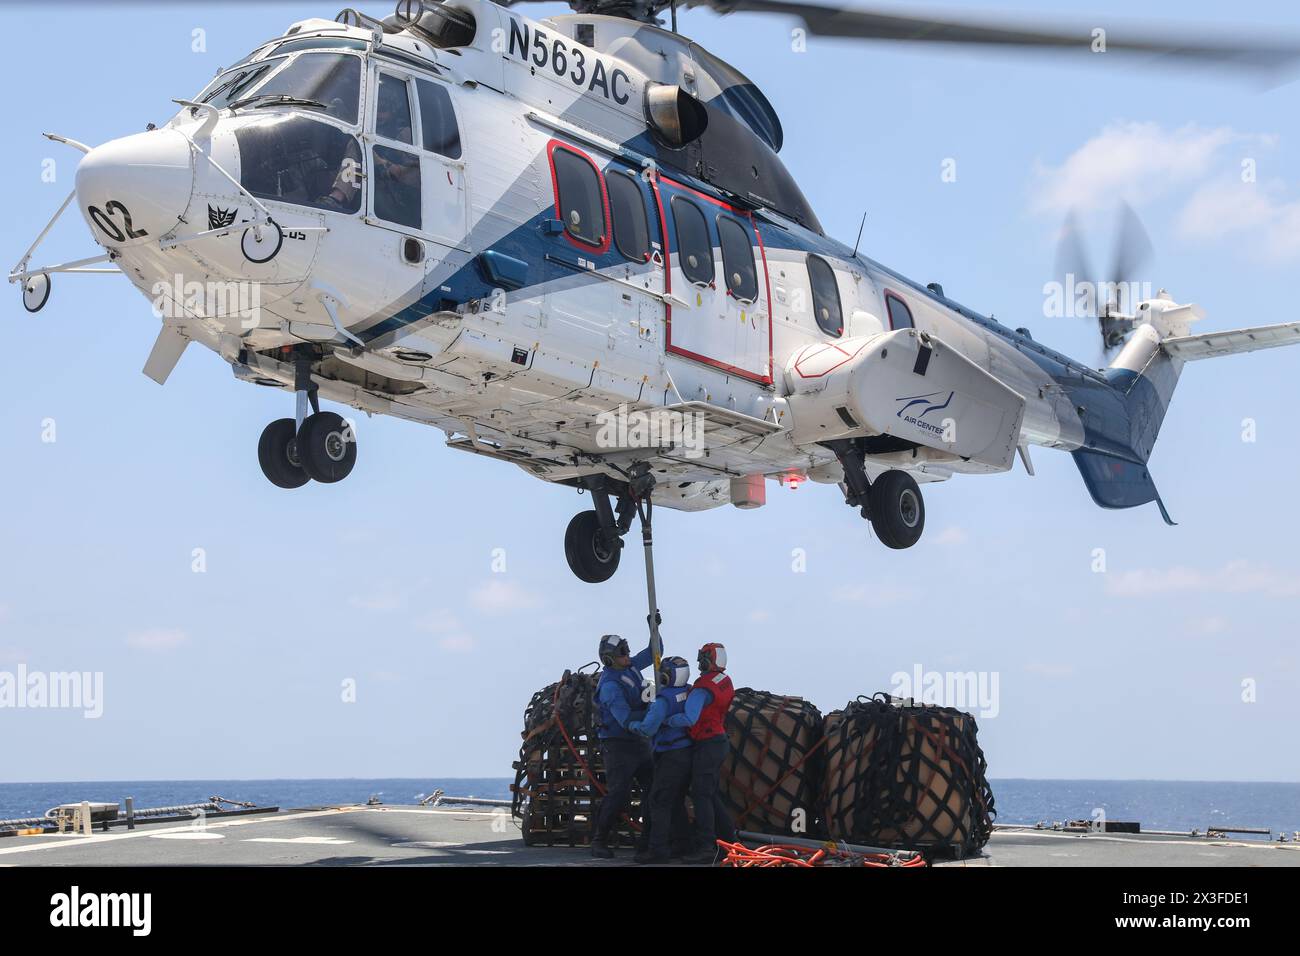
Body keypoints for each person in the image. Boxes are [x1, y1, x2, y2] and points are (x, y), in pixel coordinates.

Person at [670, 642, 736, 863]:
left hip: (707, 743)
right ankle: (730, 841)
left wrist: (665, 720)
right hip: (719, 741)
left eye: (701, 659)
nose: (699, 663)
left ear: (707, 661)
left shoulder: (701, 688)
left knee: (700, 794)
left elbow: (689, 718)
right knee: (709, 794)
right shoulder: (724, 680)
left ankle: (707, 847)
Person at [591, 633, 654, 859]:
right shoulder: (609, 685)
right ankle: (598, 841)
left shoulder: (631, 666)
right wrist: (652, 711)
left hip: (639, 743)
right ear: (610, 659)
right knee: (618, 793)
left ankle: (647, 841)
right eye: (622, 653)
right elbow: (625, 720)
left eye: (627, 650)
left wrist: (653, 629)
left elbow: (653, 652)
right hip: (618, 745)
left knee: (653, 790)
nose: (627, 655)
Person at [628, 655, 695, 864]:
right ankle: (683, 844)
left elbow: (648, 729)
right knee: (676, 801)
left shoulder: (662, 701)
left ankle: (658, 850)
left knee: (658, 802)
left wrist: (632, 725)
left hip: (670, 754)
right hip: (687, 752)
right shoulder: (688, 692)